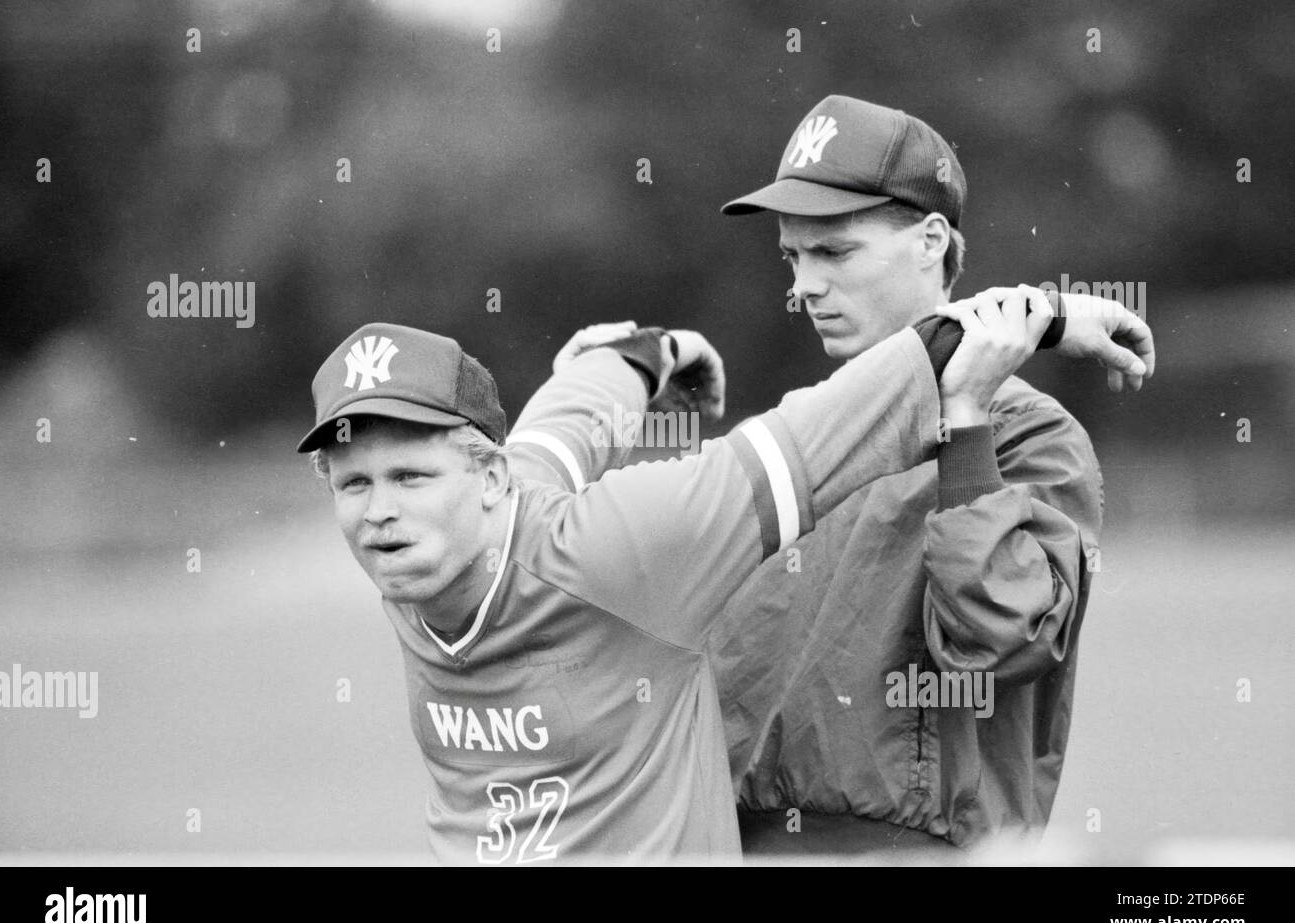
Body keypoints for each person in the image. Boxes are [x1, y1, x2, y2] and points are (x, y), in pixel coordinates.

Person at [297, 287, 1134, 862]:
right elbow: (562, 425)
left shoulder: (626, 546)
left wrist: (1042, 315)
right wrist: (646, 354)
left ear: (487, 478)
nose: (379, 513)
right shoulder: (425, 552)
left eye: (409, 477)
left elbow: (827, 431)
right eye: (353, 483)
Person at [552, 94, 1156, 855]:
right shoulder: (790, 440)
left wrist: (965, 420)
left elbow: (1001, 641)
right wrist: (585, 404)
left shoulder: (1029, 433)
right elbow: (601, 615)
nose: (804, 284)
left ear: (932, 241)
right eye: (792, 257)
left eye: (833, 253)